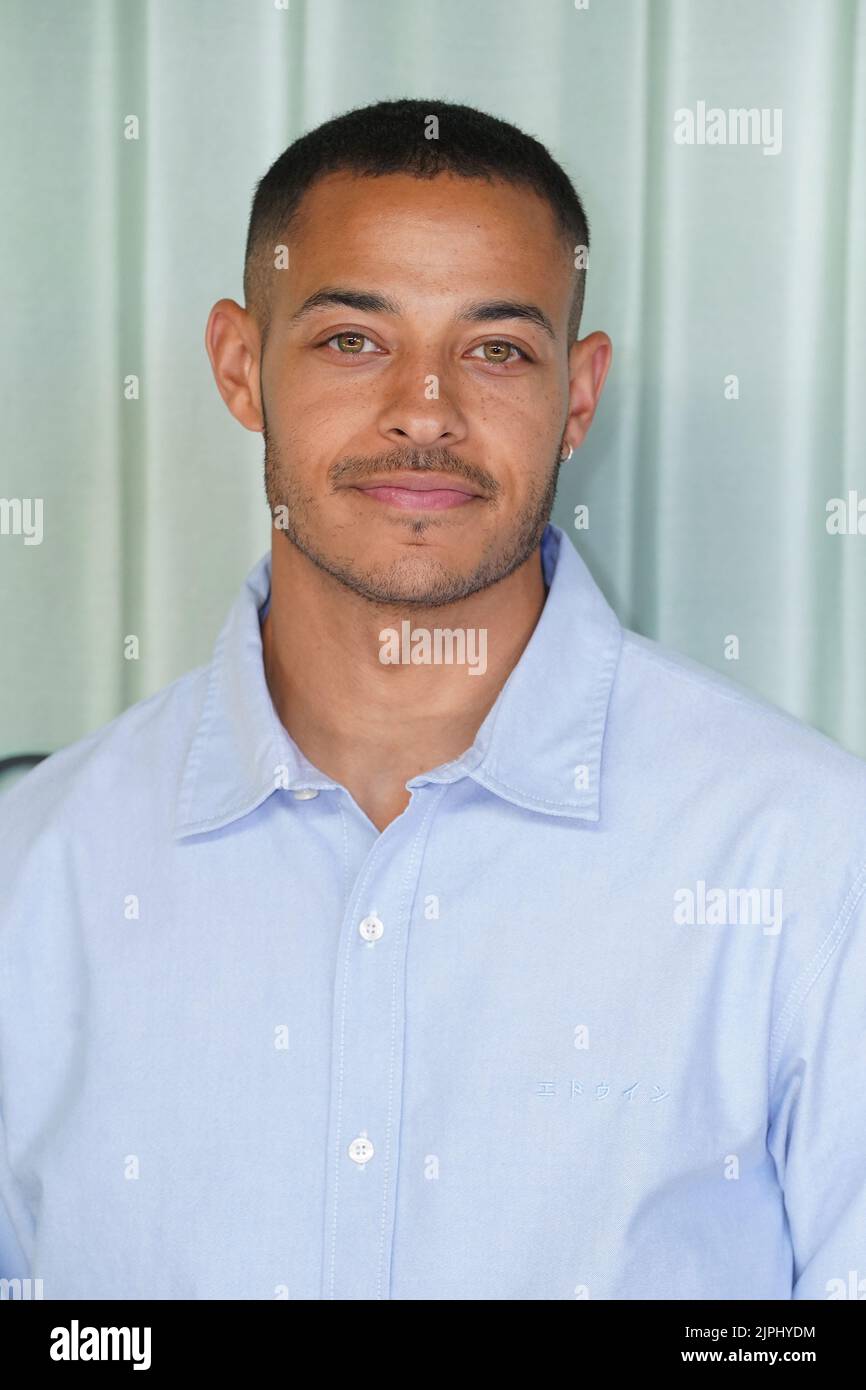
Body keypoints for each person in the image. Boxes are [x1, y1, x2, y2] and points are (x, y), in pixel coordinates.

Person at [1, 97, 864, 1302]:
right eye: (353, 340)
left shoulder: (808, 857)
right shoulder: (34, 868)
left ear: (577, 393)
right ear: (240, 368)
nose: (423, 409)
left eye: (496, 349)